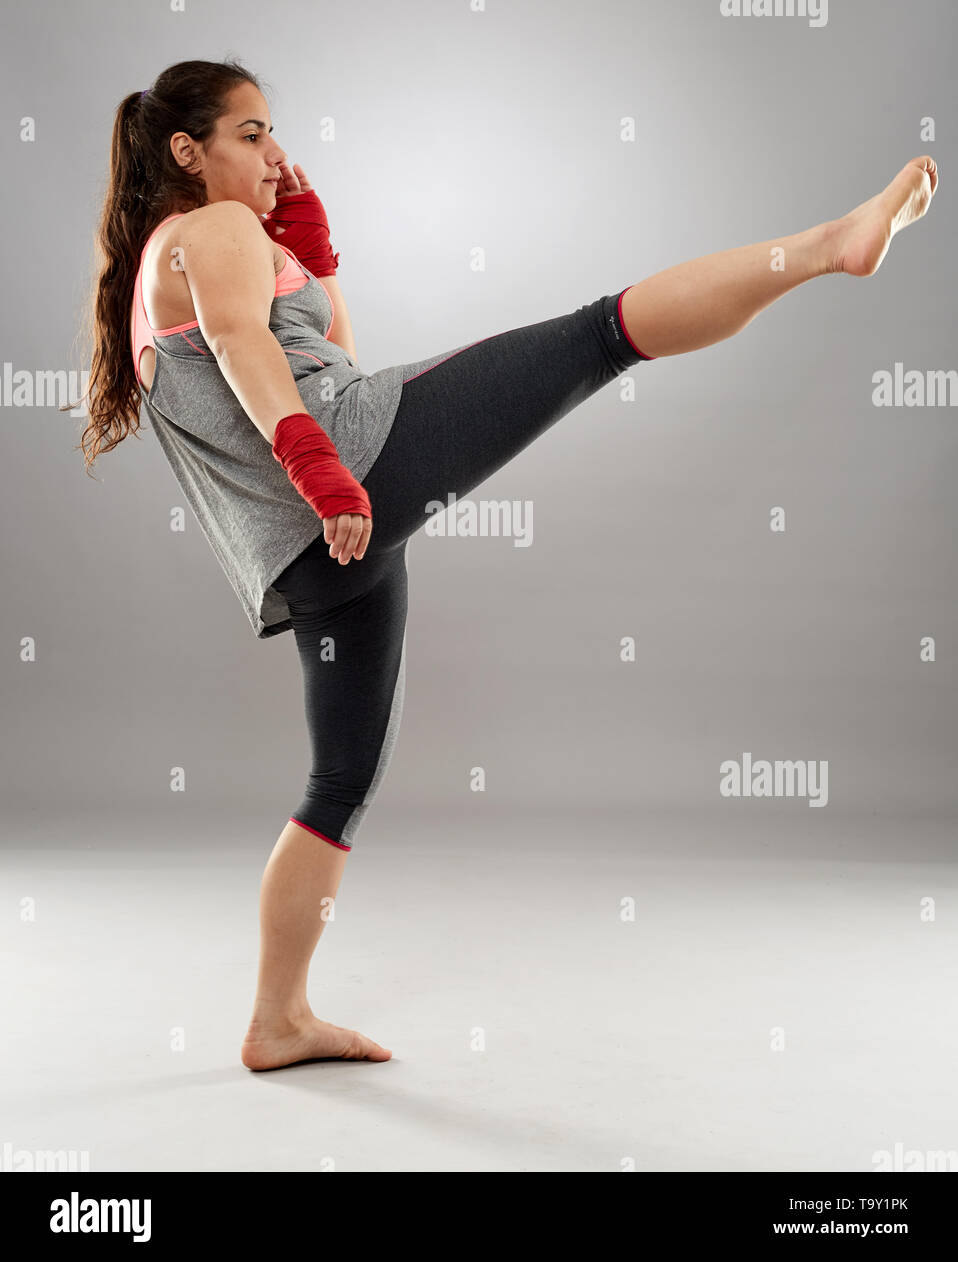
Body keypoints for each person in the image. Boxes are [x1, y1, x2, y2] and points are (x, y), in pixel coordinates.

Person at [68, 57, 938, 1071]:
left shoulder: (159, 268)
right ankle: (831, 246)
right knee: (595, 337)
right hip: (346, 475)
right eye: (251, 134)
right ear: (187, 151)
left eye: (274, 133)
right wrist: (323, 469)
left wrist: (307, 246)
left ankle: (278, 1019)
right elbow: (248, 352)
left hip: (313, 545)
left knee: (339, 780)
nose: (274, 153)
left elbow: (323, 349)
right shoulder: (208, 232)